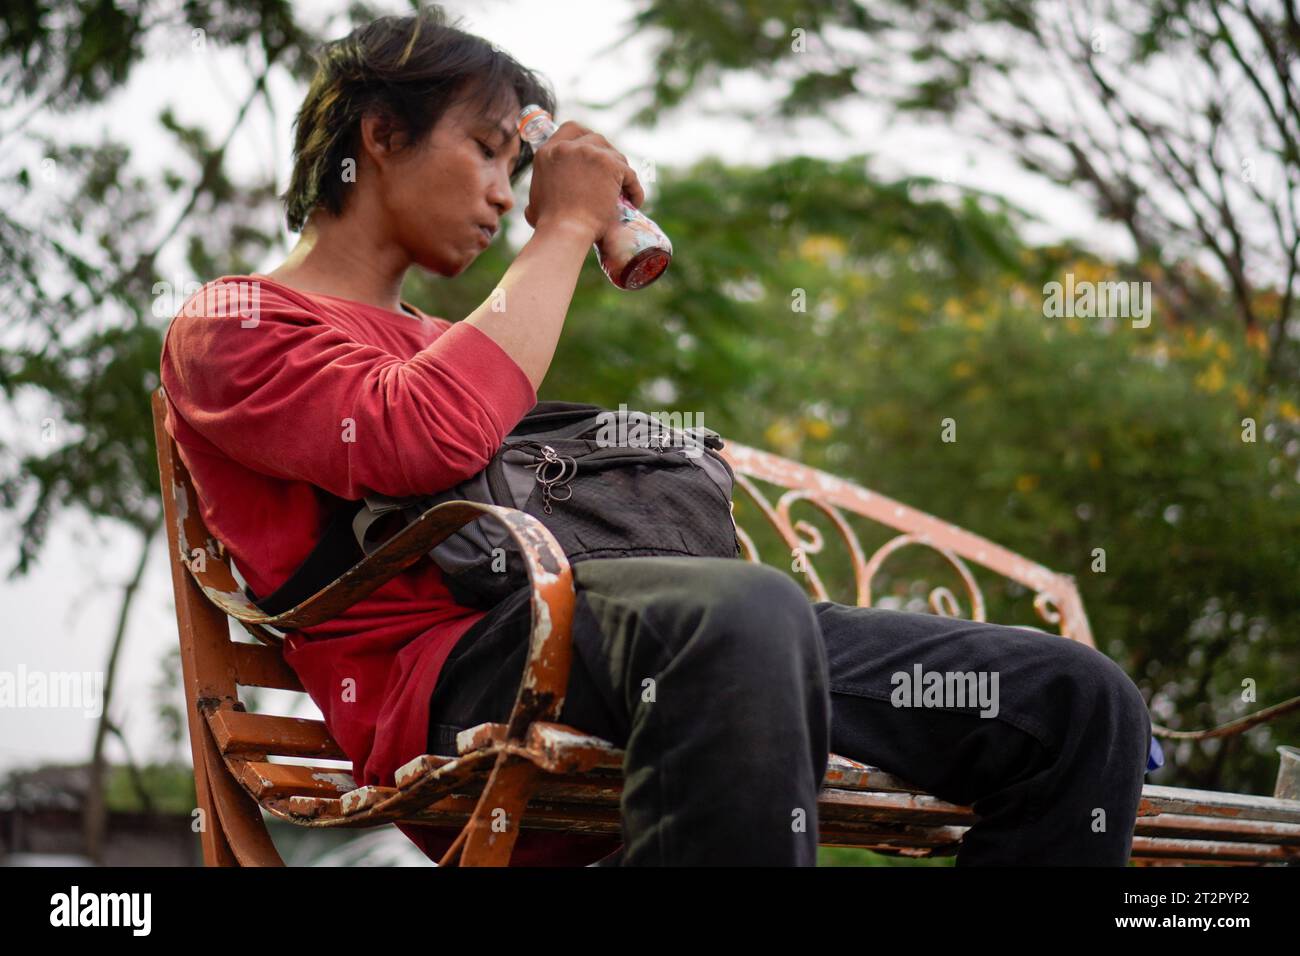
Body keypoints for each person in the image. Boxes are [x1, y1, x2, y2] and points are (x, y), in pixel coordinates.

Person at [159, 8, 1153, 866]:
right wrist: (564, 232)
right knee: (745, 610)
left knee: (1076, 700)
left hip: (657, 638)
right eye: (487, 150)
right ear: (380, 134)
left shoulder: (446, 339)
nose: (507, 197)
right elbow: (418, 433)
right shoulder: (235, 318)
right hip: (459, 670)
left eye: (519, 165)